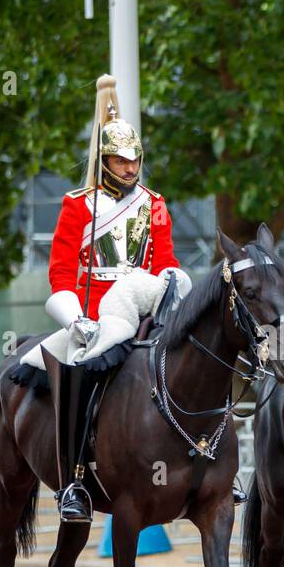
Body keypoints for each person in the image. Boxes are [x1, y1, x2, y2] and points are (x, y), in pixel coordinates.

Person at [46, 74, 191, 522]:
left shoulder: (154, 203)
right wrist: (75, 320)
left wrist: (172, 280)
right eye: (120, 160)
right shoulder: (77, 205)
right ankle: (73, 480)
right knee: (75, 371)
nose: (130, 169)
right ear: (103, 159)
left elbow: (166, 259)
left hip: (146, 309)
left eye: (135, 161)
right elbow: (61, 273)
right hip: (94, 317)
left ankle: (209, 461)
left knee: (195, 360)